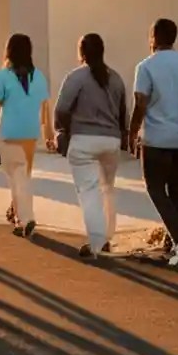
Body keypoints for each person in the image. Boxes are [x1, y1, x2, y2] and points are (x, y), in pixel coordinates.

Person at [128, 18, 178, 266]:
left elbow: (140, 103)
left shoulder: (146, 66)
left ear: (154, 37)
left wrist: (132, 132)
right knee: (177, 188)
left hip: (156, 138)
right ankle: (174, 243)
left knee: (155, 188)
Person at [54, 33, 127, 259]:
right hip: (111, 140)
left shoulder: (76, 77)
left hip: (83, 140)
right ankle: (107, 238)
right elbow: (123, 112)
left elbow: (62, 109)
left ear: (82, 53)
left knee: (88, 191)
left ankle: (95, 243)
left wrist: (62, 132)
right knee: (108, 189)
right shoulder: (115, 78)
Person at [0, 34, 54, 238]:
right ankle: (18, 216)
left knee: (17, 177)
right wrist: (49, 135)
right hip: (30, 136)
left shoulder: (1, 76)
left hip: (7, 135)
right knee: (21, 177)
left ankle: (25, 218)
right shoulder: (38, 77)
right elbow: (45, 110)